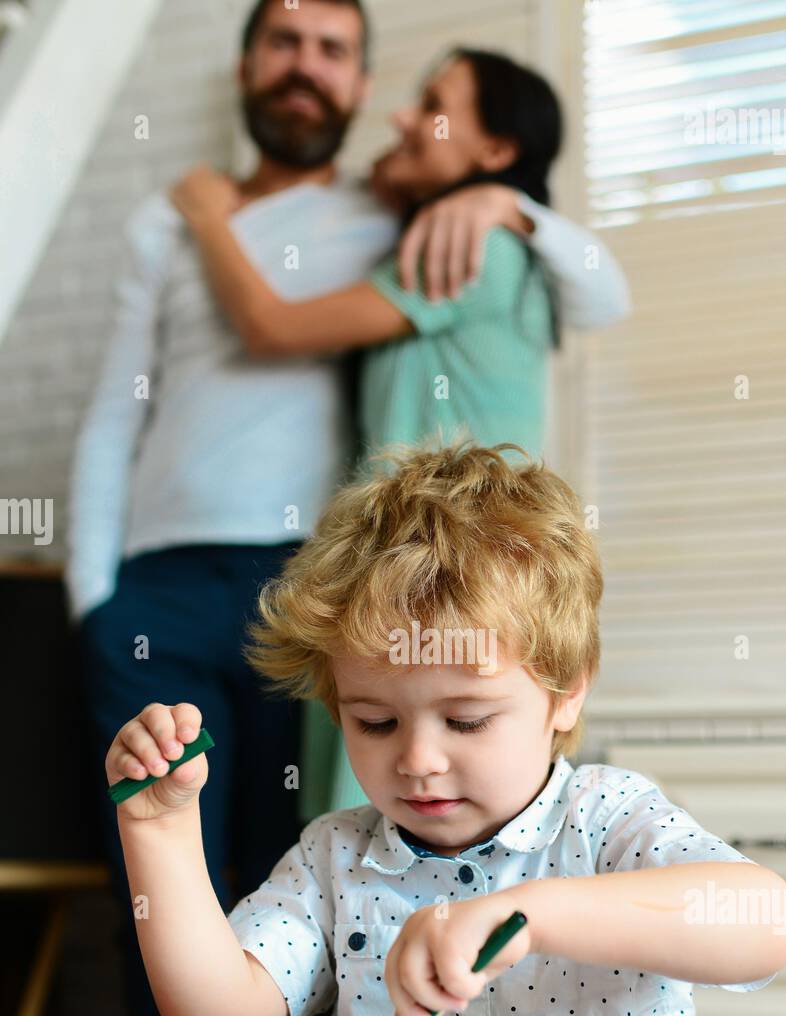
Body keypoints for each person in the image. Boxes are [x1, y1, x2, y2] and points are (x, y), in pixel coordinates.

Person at [67, 0, 627, 1016]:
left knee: (315, 845)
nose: (306, 67)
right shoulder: (173, 219)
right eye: (283, 42)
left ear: (356, 84)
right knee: (162, 849)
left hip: (330, 577)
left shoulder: (407, 224)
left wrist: (511, 204)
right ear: (245, 67)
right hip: (173, 581)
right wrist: (96, 598)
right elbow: (115, 410)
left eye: (333, 51)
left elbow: (600, 293)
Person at [103, 440, 786, 1016]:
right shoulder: (334, 856)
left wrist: (527, 916)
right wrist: (158, 830)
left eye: (465, 721)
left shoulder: (605, 819)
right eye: (375, 722)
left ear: (565, 694)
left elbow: (764, 923)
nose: (418, 759)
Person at [170, 43, 631, 823]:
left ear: (495, 149)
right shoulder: (450, 230)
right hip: (414, 570)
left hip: (438, 582)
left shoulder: (473, 246)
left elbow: (269, 326)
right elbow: (385, 178)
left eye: (434, 106)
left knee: (387, 820)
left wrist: (210, 219)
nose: (402, 119)